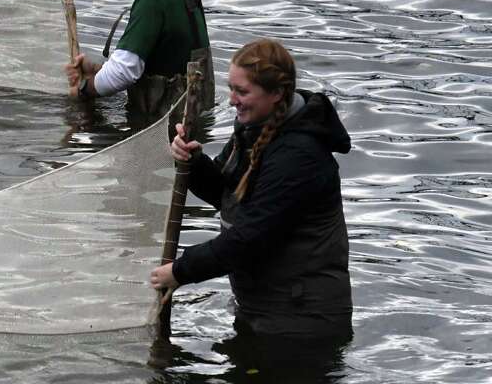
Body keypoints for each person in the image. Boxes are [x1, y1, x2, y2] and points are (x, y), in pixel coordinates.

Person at [149, 38, 353, 339]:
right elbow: (226, 194)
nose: (232, 100)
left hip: (302, 321)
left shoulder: (299, 156)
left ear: (277, 94)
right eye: (231, 89)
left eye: (242, 91)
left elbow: (250, 237)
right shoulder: (252, 129)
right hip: (265, 306)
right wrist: (193, 161)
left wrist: (180, 271)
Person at [65, 0, 214, 125]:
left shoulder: (152, 1)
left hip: (161, 129)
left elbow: (123, 72)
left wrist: (83, 89)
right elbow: (164, 63)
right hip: (192, 122)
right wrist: (99, 71)